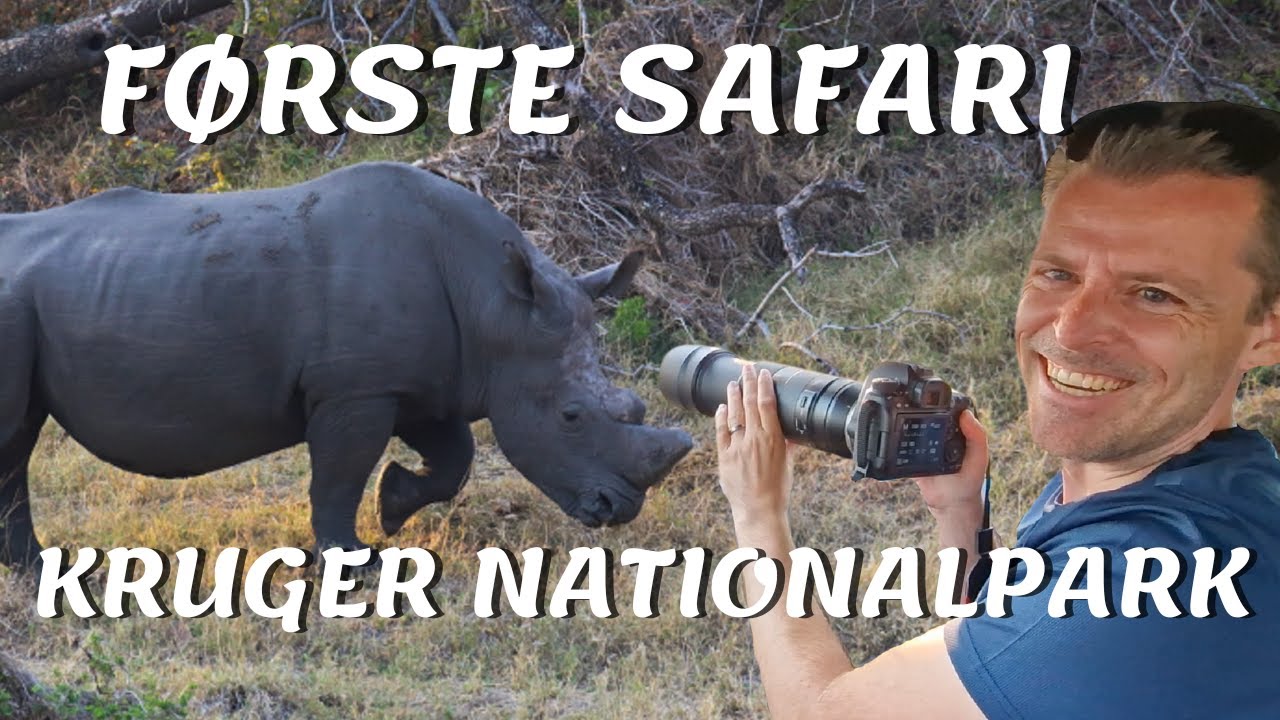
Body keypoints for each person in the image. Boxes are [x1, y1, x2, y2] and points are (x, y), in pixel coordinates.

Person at [713, 99, 1280, 719]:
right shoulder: (1220, 486)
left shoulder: (1143, 588)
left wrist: (757, 514)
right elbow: (992, 659)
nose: (1070, 329)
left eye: (1153, 294)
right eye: (1058, 274)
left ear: (1267, 332)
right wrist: (960, 510)